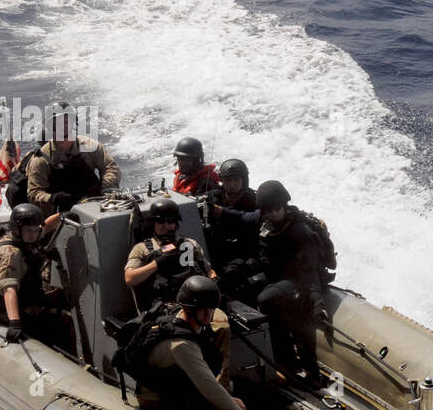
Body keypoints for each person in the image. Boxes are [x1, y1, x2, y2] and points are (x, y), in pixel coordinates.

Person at [210, 180, 328, 387]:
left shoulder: (300, 231)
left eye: (276, 209)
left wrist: (317, 301)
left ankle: (303, 369)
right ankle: (275, 356)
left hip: (298, 281)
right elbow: (243, 218)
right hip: (275, 275)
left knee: (267, 300)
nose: (272, 214)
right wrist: (218, 211)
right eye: (267, 210)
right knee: (238, 289)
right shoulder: (265, 219)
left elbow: (310, 270)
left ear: (284, 205)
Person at [133, 276, 263, 410]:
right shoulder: (181, 345)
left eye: (211, 309)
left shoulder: (187, 320)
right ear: (188, 309)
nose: (208, 316)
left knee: (237, 405)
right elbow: (208, 386)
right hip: (156, 397)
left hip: (177, 387)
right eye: (203, 311)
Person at [0, 202, 70, 348]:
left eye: (36, 230)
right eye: (30, 231)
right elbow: (8, 289)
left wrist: (65, 214)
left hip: (24, 294)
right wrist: (15, 323)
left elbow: (47, 226)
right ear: (17, 230)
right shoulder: (10, 253)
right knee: (57, 324)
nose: (34, 234)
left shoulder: (27, 235)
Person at [26, 102, 120, 217]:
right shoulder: (41, 159)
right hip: (62, 215)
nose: (63, 126)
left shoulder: (90, 146)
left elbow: (111, 168)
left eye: (66, 121)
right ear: (52, 126)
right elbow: (34, 193)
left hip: (96, 205)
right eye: (58, 122)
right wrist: (53, 198)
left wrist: (103, 190)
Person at [124, 197, 220, 308]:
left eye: (170, 221)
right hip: (166, 306)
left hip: (196, 301)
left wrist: (214, 279)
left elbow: (208, 270)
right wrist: (156, 264)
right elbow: (129, 278)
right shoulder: (142, 248)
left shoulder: (189, 244)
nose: (166, 226)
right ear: (153, 223)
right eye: (160, 222)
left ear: (175, 223)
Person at [205, 158, 259, 293]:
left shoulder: (254, 200)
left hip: (243, 251)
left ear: (244, 180)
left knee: (231, 275)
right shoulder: (213, 197)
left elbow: (249, 219)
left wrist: (222, 213)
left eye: (236, 180)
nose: (232, 184)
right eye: (228, 180)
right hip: (218, 249)